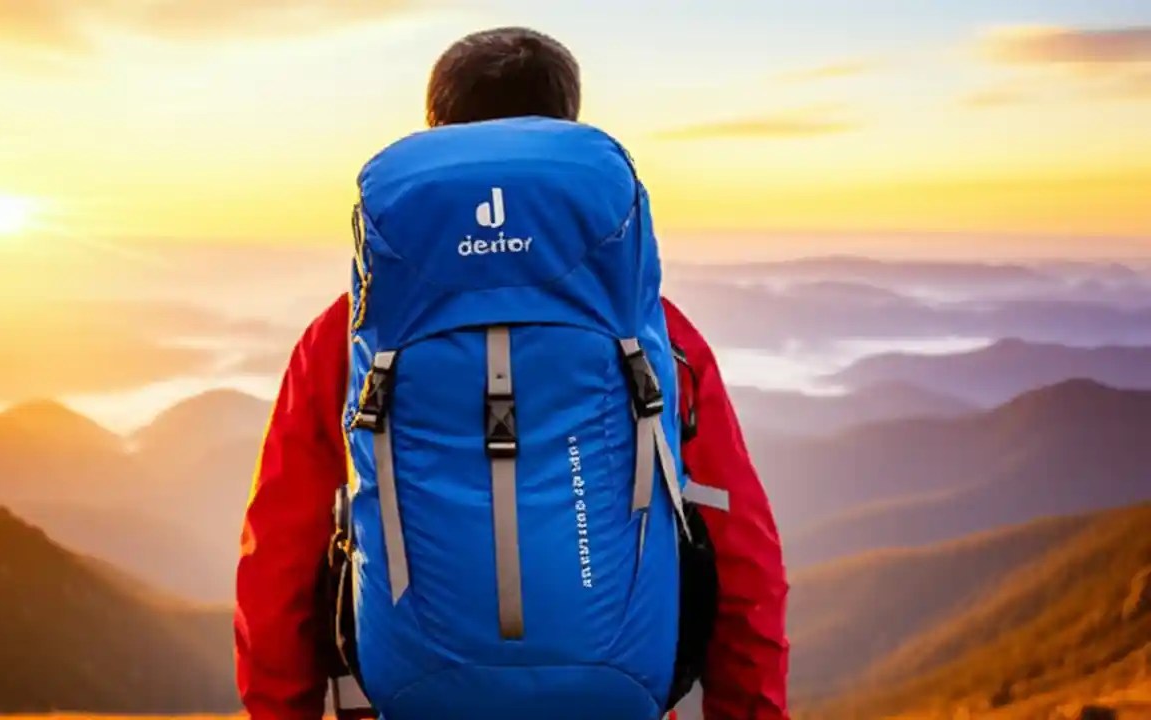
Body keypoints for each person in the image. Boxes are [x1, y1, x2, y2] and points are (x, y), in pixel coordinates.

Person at [235, 27, 789, 720]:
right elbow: (742, 560)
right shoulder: (658, 337)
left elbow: (277, 572)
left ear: (437, 139)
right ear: (568, 137)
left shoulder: (344, 339)